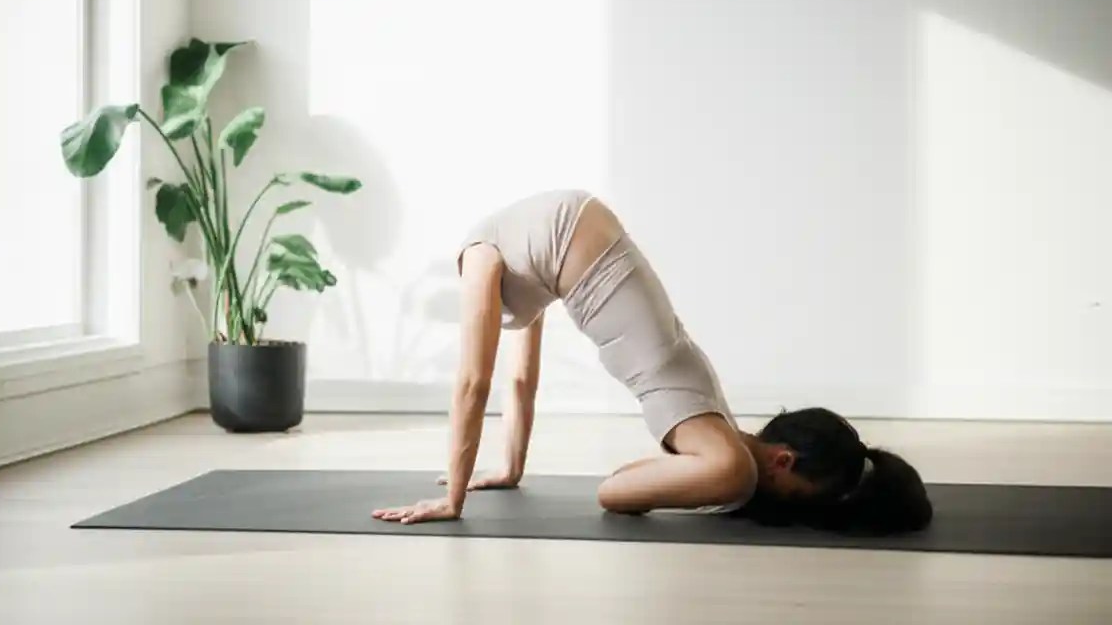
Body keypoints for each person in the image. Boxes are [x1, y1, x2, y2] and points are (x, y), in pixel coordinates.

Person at [371, 190, 932, 533]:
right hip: (581, 231)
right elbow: (518, 379)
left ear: (783, 458)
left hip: (580, 229)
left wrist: (453, 499)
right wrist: (507, 471)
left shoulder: (485, 258)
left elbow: (476, 382)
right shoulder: (728, 454)